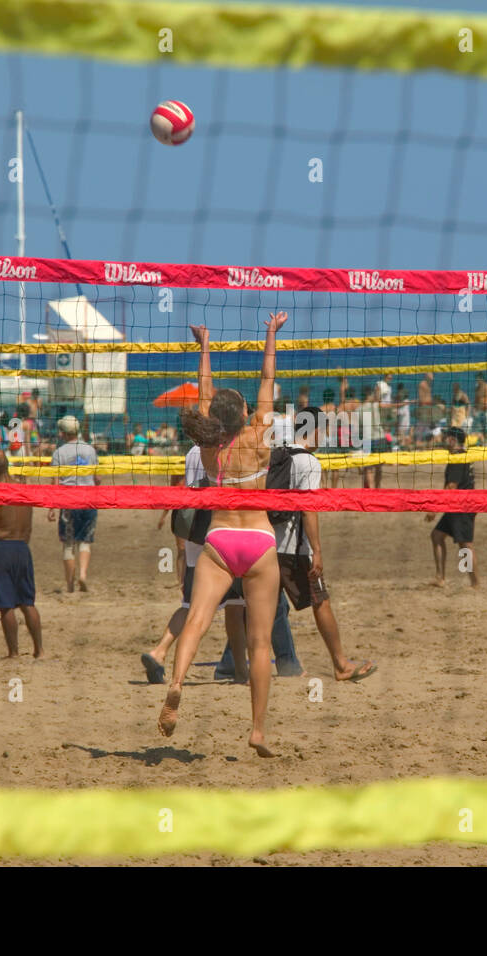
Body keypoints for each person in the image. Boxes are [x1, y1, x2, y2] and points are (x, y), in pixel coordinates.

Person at [159, 313, 288, 757]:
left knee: (196, 620)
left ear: (216, 418)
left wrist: (205, 347)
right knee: (260, 642)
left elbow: (205, 395)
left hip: (218, 542)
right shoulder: (260, 437)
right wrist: (270, 334)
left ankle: (176, 683)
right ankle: (256, 730)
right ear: (247, 414)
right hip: (258, 543)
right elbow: (267, 378)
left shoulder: (209, 449)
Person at [221, 408, 375, 680]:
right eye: (323, 431)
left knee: (257, 607)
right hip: (294, 550)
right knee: (320, 601)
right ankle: (340, 665)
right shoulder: (309, 462)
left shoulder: (275, 454)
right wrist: (317, 550)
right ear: (314, 431)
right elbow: (309, 510)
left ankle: (233, 665)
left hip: (264, 543)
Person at [143, 443, 251, 685]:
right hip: (220, 529)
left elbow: (182, 485)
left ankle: (159, 651)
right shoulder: (229, 448)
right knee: (235, 606)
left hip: (194, 528)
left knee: (190, 604)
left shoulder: (193, 449)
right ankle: (241, 673)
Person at [0, 450, 43, 658]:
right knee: (27, 602)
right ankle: (39, 651)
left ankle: (13, 653)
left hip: (3, 547)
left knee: (5, 605)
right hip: (23, 547)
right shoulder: (23, 489)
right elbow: (30, 526)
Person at [46, 415, 98, 592]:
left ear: (63, 433)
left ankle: (70, 584)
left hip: (69, 501)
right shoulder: (90, 450)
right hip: (88, 499)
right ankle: (83, 575)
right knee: (85, 542)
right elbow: (97, 477)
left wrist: (52, 507)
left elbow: (55, 482)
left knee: (68, 544)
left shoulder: (59, 453)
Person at [424, 427, 478, 589]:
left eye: (446, 437)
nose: (444, 439)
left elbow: (451, 486)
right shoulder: (460, 455)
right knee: (437, 536)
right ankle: (440, 578)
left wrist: (435, 507)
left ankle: (475, 583)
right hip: (455, 504)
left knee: (465, 544)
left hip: (462, 505)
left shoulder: (457, 458)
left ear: (453, 440)